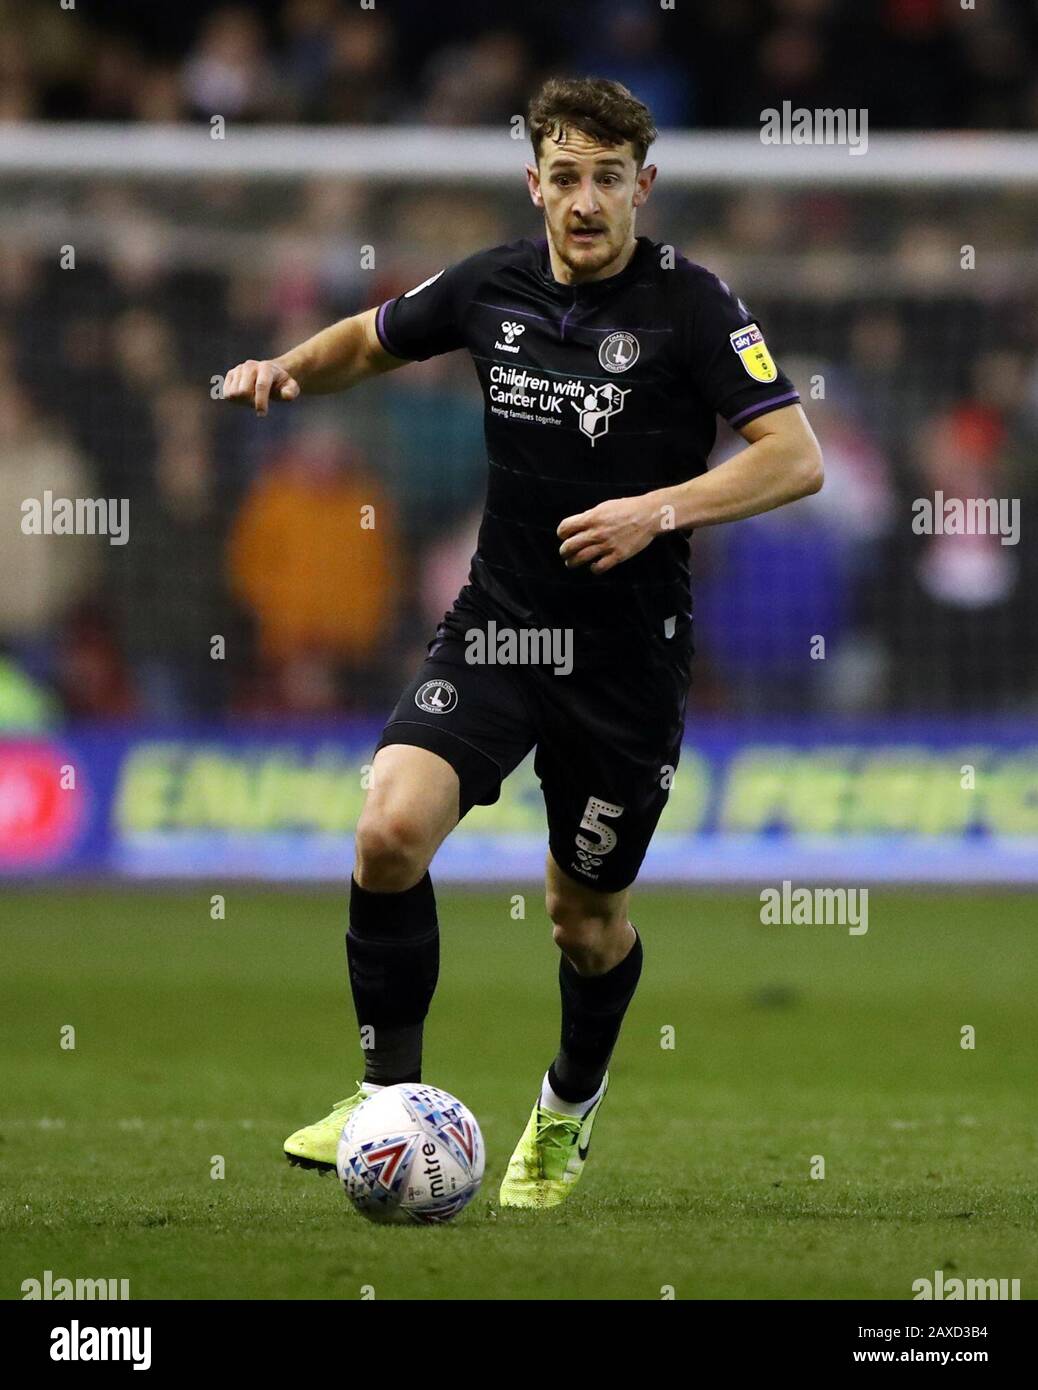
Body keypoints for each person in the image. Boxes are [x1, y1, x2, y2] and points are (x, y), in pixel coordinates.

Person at [220, 76, 823, 1210]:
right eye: (564, 177)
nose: (585, 201)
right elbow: (373, 335)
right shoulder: (491, 286)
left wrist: (663, 507)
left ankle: (566, 1108)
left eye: (608, 179)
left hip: (625, 667)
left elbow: (796, 457)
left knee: (583, 920)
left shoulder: (693, 306)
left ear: (642, 186)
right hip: (499, 629)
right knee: (391, 827)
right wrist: (290, 368)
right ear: (534, 183)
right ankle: (382, 1094)